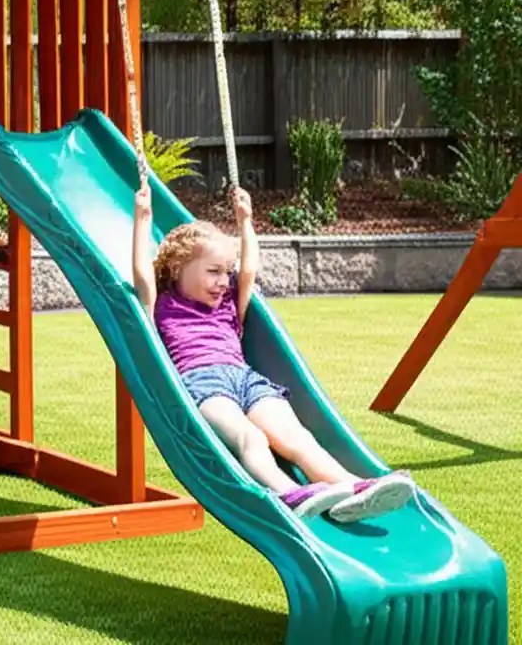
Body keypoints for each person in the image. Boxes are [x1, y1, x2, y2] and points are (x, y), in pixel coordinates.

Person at [131, 183, 414, 522]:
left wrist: (245, 222)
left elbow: (247, 269)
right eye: (213, 272)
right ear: (178, 270)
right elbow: (143, 277)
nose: (224, 281)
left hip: (247, 379)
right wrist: (143, 219)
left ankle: (356, 490)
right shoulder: (164, 305)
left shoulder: (229, 306)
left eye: (226, 272)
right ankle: (287, 492)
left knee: (297, 436)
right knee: (249, 436)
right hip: (201, 383)